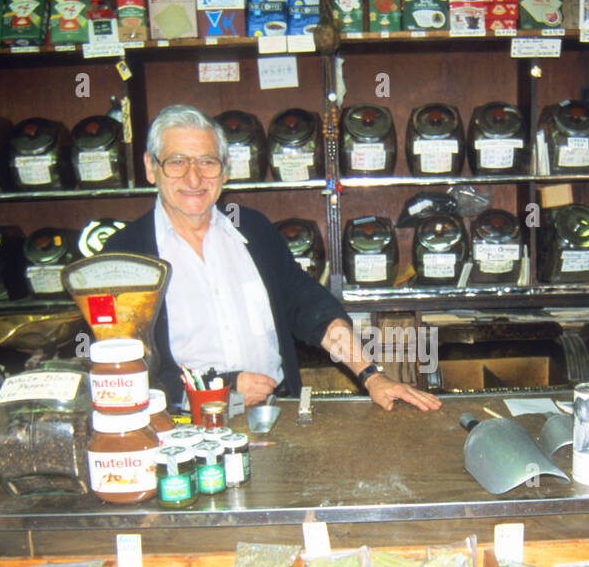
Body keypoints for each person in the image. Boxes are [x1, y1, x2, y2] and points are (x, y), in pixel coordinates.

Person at [100, 104, 441, 413]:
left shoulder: (252, 229)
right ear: (150, 167)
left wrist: (370, 376)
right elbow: (120, 370)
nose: (194, 178)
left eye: (207, 162)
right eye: (177, 162)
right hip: (181, 429)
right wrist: (221, 389)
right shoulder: (122, 256)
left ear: (225, 170)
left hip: (276, 413)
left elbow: (308, 306)